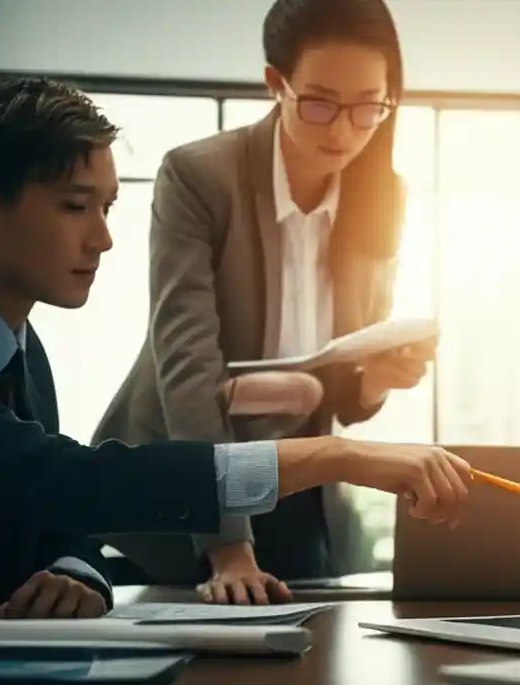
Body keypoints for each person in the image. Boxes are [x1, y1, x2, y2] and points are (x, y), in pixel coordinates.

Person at [0, 75, 470, 635]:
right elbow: (66, 481)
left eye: (106, 207)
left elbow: (49, 515)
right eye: (75, 207)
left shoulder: (19, 349)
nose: (102, 239)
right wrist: (338, 455)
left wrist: (73, 571)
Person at [93, 0, 427, 603]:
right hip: (183, 492)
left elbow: (339, 396)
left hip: (298, 492)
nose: (344, 130)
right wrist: (228, 545)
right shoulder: (199, 176)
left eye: (368, 107)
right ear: (277, 83)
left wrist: (374, 379)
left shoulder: (384, 194)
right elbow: (188, 370)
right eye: (320, 102)